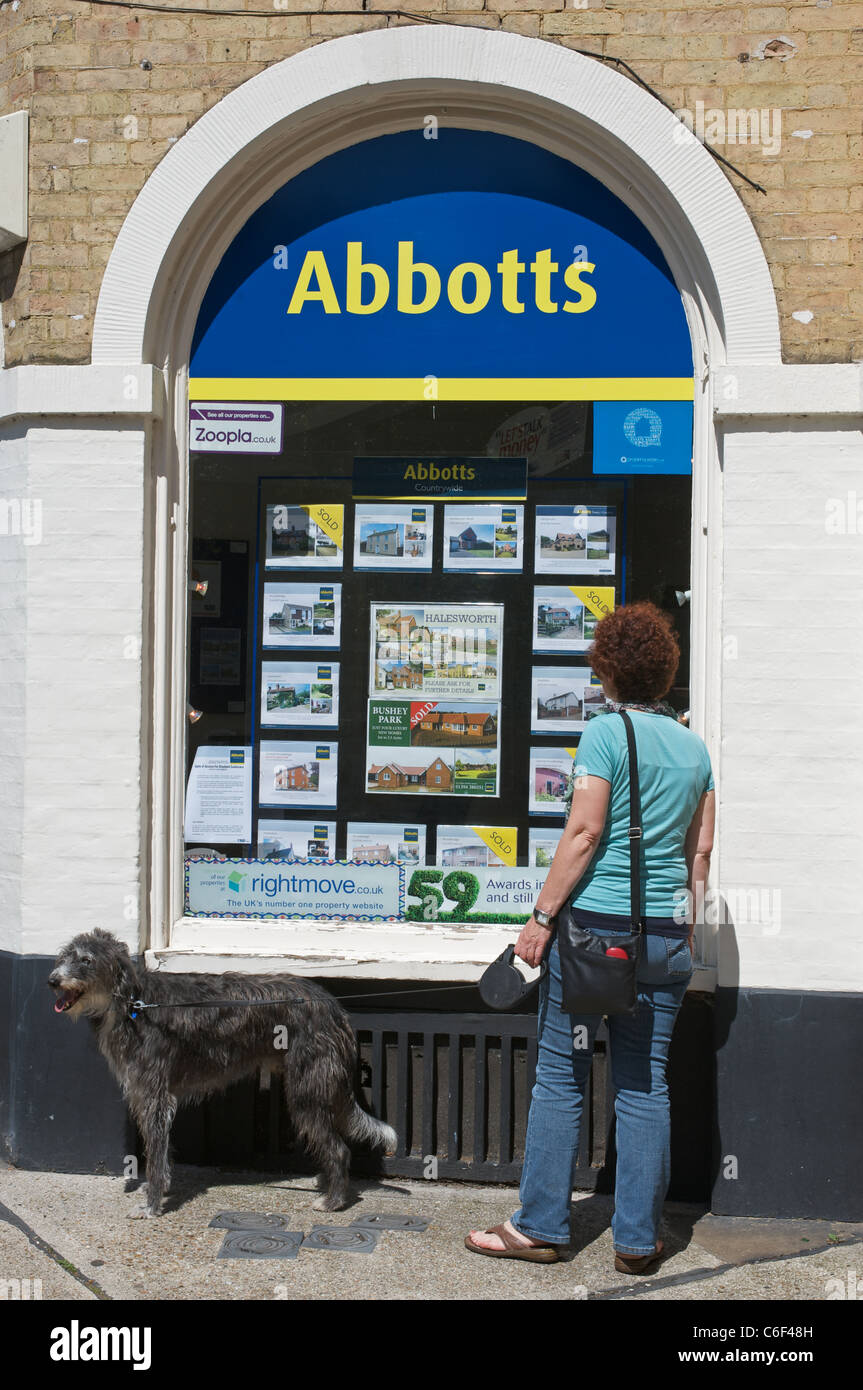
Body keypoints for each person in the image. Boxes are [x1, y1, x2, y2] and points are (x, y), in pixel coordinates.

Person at [465, 601, 715, 1270]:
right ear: (663, 670)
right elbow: (699, 855)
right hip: (664, 938)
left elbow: (583, 832)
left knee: (560, 1078)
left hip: (591, 938)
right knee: (644, 1084)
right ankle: (636, 1240)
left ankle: (541, 1226)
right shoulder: (696, 748)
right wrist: (681, 922)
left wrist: (541, 917)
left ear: (606, 669)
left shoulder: (605, 733)